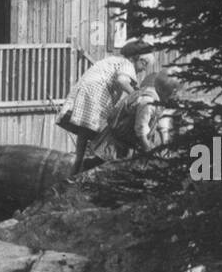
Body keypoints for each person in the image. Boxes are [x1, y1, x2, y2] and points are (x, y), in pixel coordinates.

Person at [58, 38, 156, 176]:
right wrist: (136, 95)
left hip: (84, 94)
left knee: (84, 135)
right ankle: (96, 166)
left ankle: (76, 168)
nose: (143, 69)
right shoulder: (127, 64)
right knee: (107, 134)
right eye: (144, 65)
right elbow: (122, 81)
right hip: (95, 97)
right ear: (138, 59)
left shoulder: (112, 60)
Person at [82, 71, 181, 169]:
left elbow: (160, 121)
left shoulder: (156, 97)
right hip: (121, 136)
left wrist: (164, 144)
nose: (172, 98)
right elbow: (141, 129)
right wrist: (148, 150)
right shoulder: (148, 102)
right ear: (161, 90)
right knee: (104, 161)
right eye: (170, 95)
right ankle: (84, 168)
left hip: (129, 139)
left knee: (123, 166)